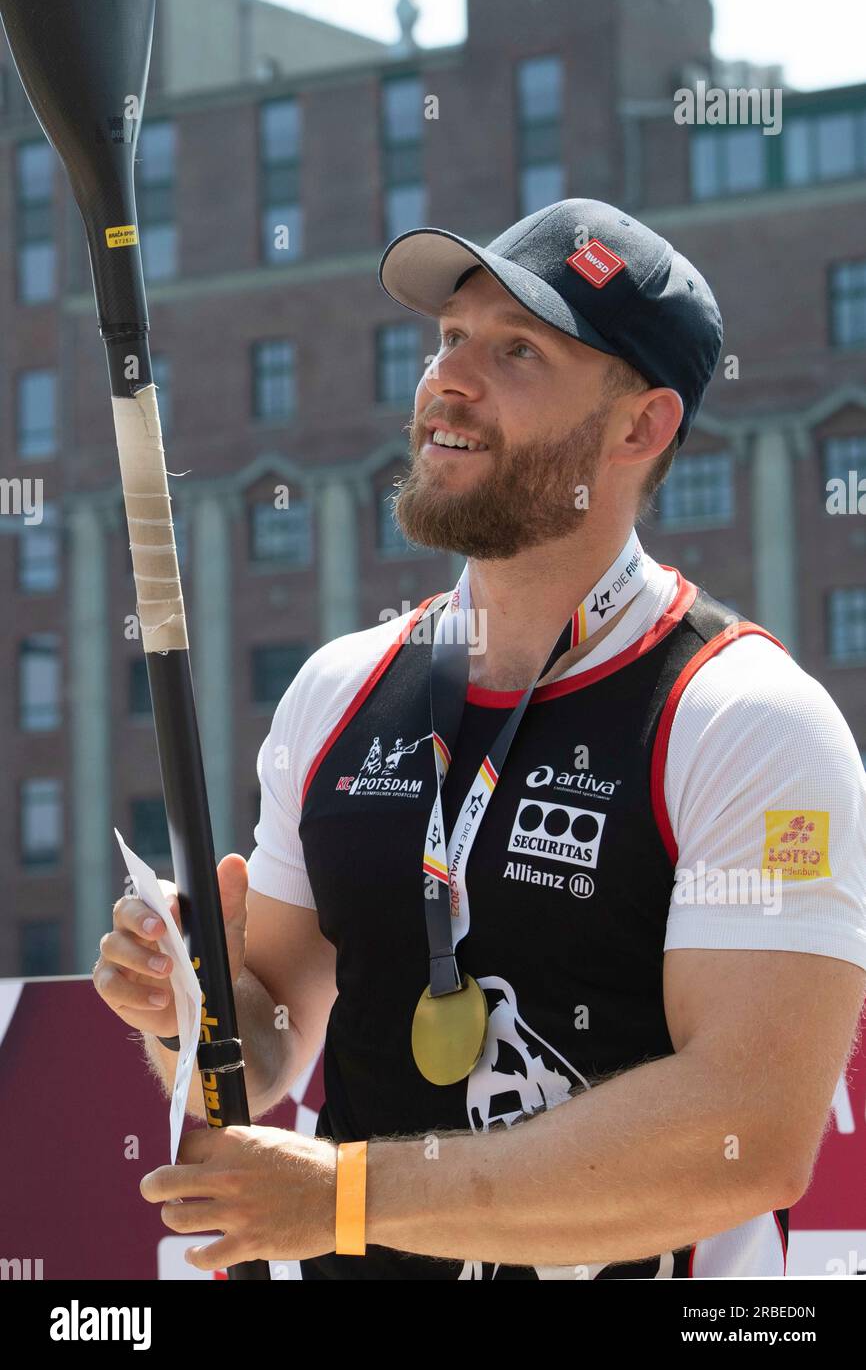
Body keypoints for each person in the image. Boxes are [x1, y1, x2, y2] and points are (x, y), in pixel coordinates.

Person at [94, 199, 866, 1280]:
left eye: (516, 350)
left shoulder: (748, 721)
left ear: (638, 428)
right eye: (450, 337)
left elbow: (742, 1136)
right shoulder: (335, 689)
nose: (447, 379)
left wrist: (344, 1198)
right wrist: (183, 1010)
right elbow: (263, 1046)